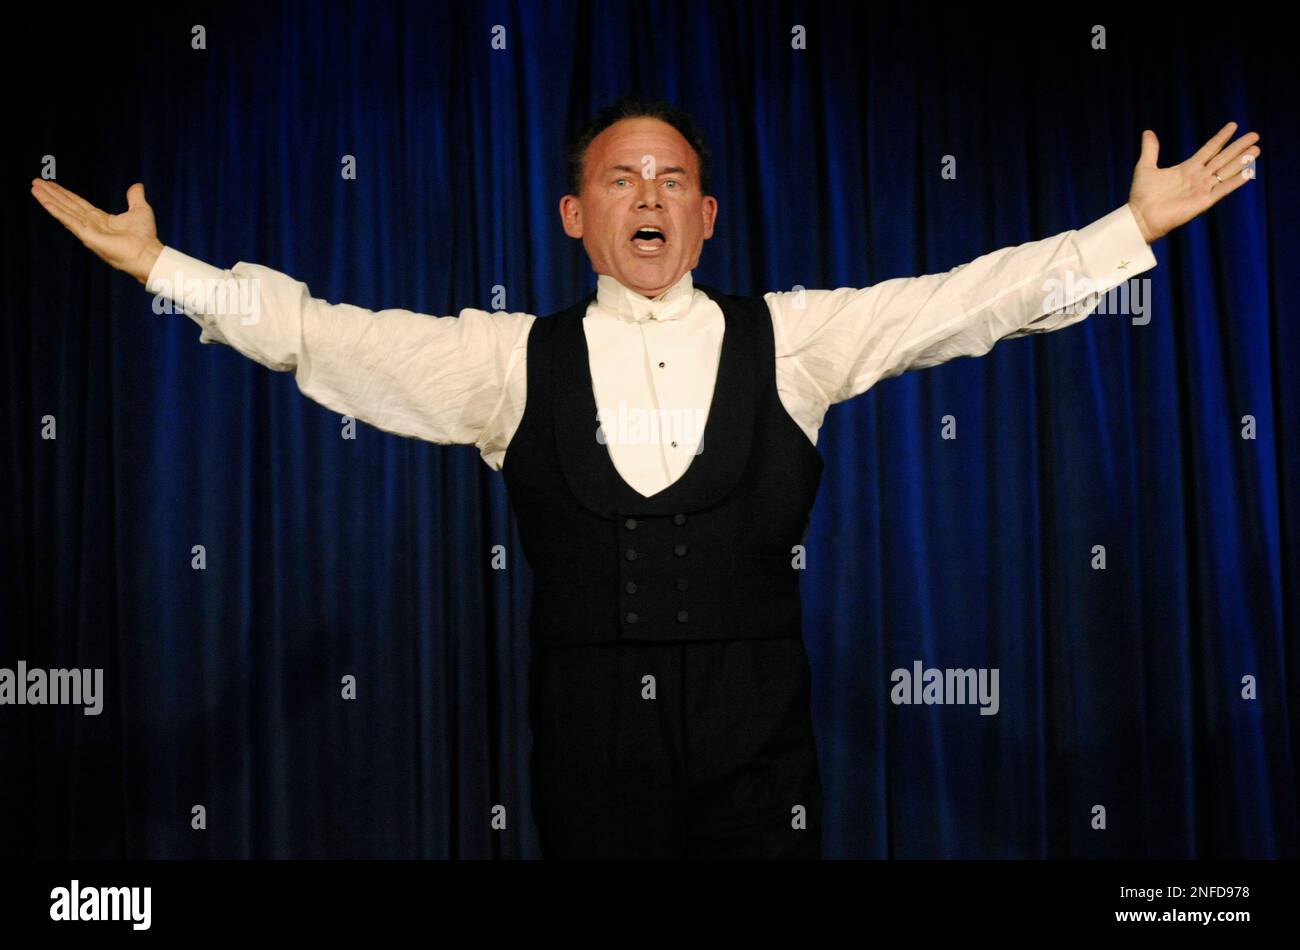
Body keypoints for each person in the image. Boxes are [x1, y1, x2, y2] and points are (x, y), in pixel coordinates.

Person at [31, 97, 1260, 859]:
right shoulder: (505, 359)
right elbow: (322, 333)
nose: (650, 195)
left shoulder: (802, 336)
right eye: (622, 177)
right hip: (588, 760)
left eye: (672, 178)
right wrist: (164, 269)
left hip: (758, 751)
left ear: (709, 214)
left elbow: (965, 303)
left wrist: (1126, 232)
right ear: (576, 214)